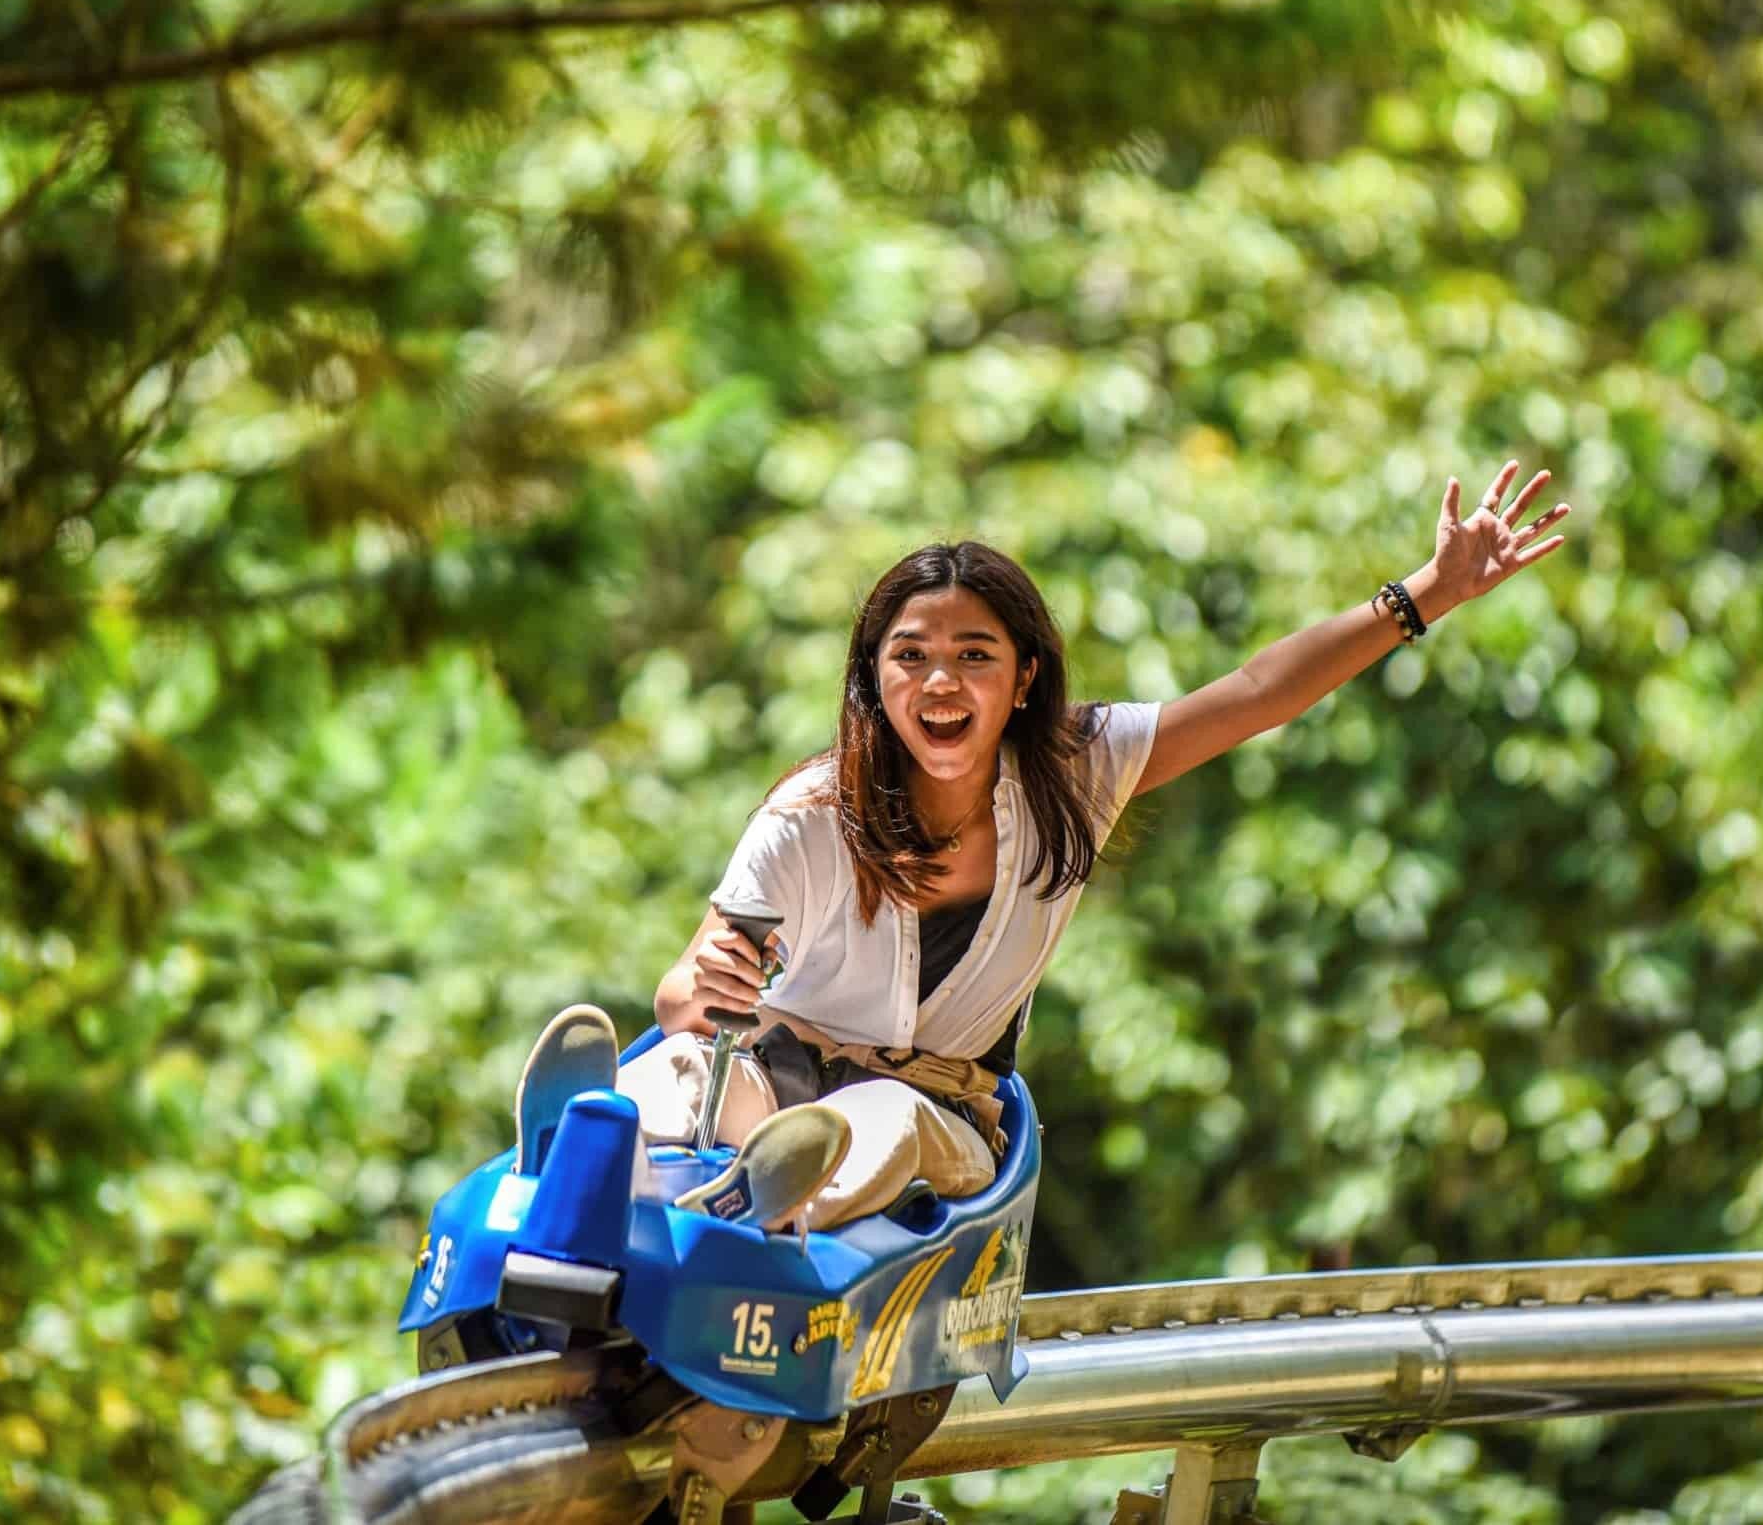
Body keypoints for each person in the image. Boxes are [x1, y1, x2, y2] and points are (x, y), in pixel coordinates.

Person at [515, 461, 1571, 1233]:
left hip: (934, 1112)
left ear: (1023, 678)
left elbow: (1256, 691)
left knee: (876, 1118)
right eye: (910, 656)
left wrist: (1424, 595)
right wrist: (707, 986)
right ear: (873, 679)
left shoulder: (1078, 767)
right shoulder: (809, 812)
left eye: (974, 655)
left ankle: (751, 1204)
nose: (940, 681)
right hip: (779, 1077)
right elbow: (681, 997)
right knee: (682, 1069)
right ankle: (579, 1163)